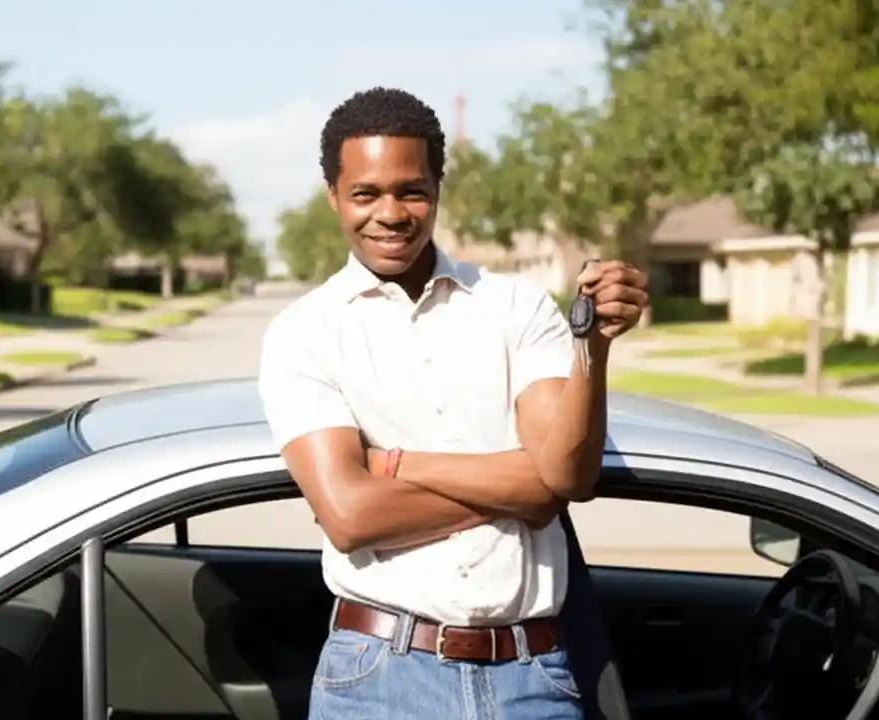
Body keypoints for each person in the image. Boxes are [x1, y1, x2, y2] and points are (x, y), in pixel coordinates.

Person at [257, 87, 649, 719]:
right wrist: (513, 485)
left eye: (412, 190)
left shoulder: (515, 307)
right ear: (333, 195)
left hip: (533, 677)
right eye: (365, 194)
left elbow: (562, 481)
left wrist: (396, 464)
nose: (391, 213)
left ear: (438, 187)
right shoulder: (304, 334)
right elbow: (352, 516)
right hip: (379, 677)